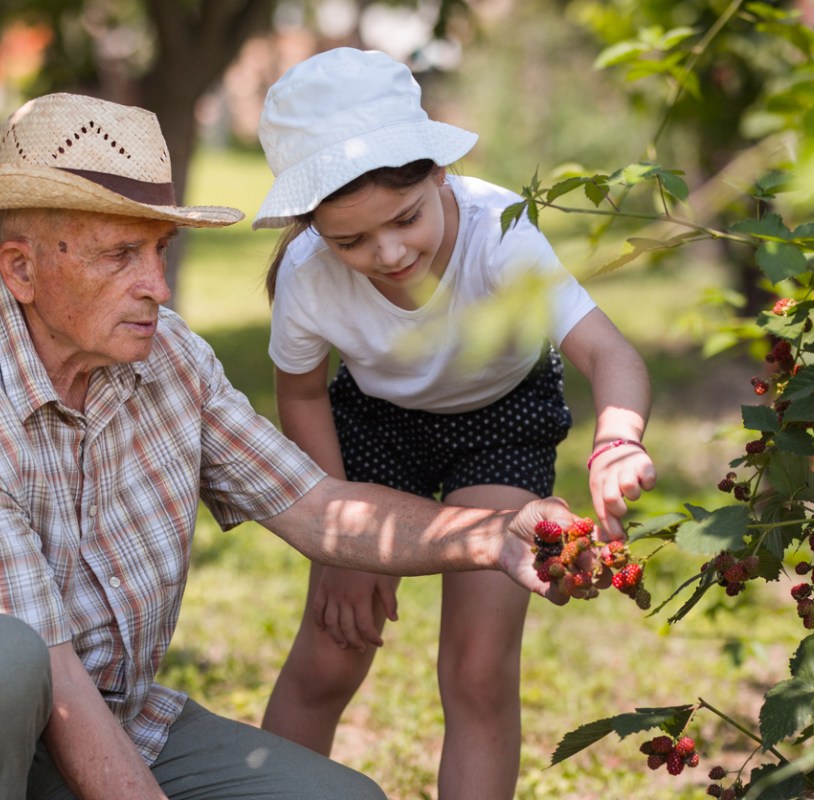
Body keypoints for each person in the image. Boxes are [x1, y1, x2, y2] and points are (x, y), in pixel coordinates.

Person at [0, 92, 588, 800]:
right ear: (20, 270)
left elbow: (318, 509)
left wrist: (493, 537)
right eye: (120, 256)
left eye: (160, 251)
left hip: (108, 719)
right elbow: (48, 677)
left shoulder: (166, 356)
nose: (158, 288)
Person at [252, 48, 657, 799]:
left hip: (500, 424)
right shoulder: (307, 276)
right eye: (352, 242)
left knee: (477, 667)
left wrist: (616, 442)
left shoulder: (497, 232)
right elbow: (303, 396)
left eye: (405, 218)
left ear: (439, 173)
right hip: (373, 425)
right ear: (313, 228)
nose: (390, 252)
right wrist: (337, 542)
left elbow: (609, 352)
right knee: (330, 651)